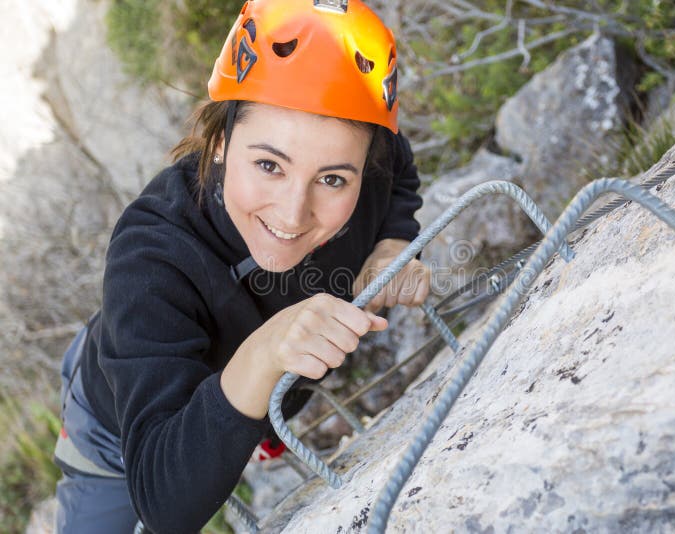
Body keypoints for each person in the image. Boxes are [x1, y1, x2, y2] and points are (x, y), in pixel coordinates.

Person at [52, 1, 430, 532]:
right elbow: (163, 502)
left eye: (332, 180)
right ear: (222, 140)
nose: (293, 214)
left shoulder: (370, 163)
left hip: (237, 388)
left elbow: (401, 172)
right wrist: (266, 354)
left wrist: (393, 242)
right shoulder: (153, 254)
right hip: (116, 417)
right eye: (269, 165)